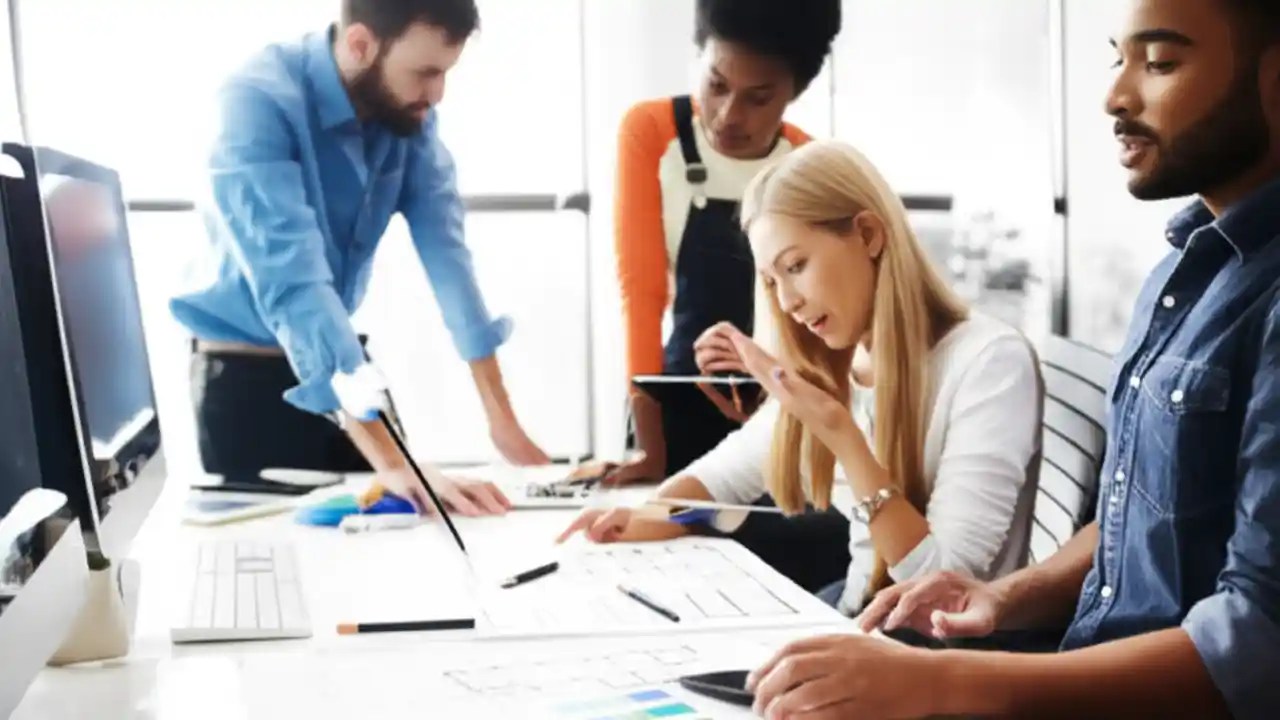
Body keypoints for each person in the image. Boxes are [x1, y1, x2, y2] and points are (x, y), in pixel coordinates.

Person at [746, 1, 1280, 718]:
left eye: (1160, 63)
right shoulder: (1182, 274)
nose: (1115, 95)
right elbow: (1137, 511)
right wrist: (1001, 599)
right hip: (1068, 659)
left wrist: (938, 682)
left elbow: (1257, 644)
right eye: (1116, 59)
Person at [561, 140, 1043, 616]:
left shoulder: (988, 362)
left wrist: (840, 433)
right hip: (854, 617)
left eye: (796, 266)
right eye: (773, 280)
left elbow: (942, 585)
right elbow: (719, 480)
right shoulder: (843, 359)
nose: (787, 302)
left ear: (870, 235)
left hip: (926, 656)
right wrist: (638, 518)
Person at [170, 0, 547, 515]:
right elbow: (298, 287)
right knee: (306, 562)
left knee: (418, 523)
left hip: (345, 363)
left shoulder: (405, 111)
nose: (437, 95)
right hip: (248, 383)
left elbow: (448, 256)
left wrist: (502, 421)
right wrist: (396, 464)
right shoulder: (256, 100)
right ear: (361, 45)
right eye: (426, 73)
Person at [609, 0, 842, 486]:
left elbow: (823, 328)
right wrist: (649, 448)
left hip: (777, 411)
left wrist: (777, 391)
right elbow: (642, 292)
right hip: (673, 402)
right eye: (716, 85)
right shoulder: (652, 133)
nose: (728, 115)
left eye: (758, 98)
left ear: (796, 91)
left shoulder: (809, 163)